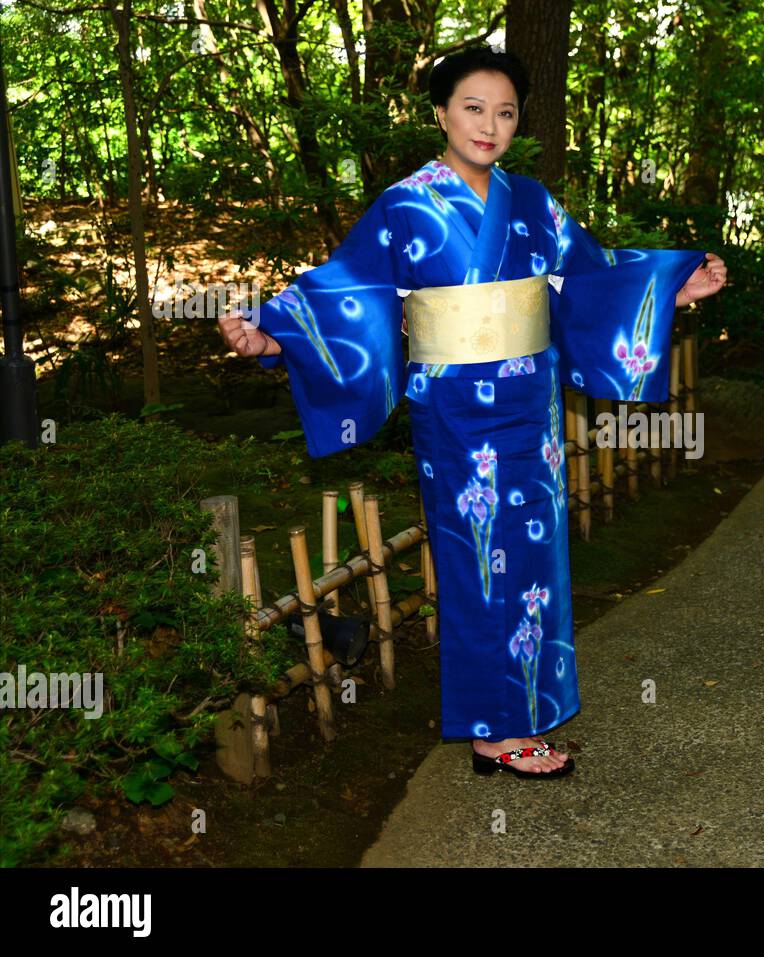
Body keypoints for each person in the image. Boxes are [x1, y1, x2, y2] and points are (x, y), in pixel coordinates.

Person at [218, 46, 726, 778]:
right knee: (476, 561)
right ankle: (493, 730)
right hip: (454, 415)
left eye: (507, 111)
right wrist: (272, 334)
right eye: (473, 107)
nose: (490, 124)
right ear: (441, 113)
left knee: (536, 560)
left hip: (533, 410)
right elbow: (347, 295)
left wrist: (672, 289)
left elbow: (590, 277)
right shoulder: (403, 204)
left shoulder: (533, 203)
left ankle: (529, 713)